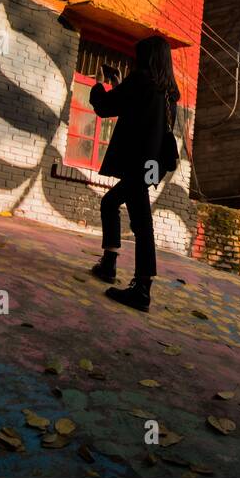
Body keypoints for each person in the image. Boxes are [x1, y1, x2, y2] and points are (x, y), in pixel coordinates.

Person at [87, 36, 179, 313]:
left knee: (141, 223)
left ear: (146, 58)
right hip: (152, 166)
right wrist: (119, 84)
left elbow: (105, 106)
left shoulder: (142, 80)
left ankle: (141, 288)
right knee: (112, 203)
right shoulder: (169, 92)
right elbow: (133, 107)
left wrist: (98, 82)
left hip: (137, 162)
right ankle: (109, 264)